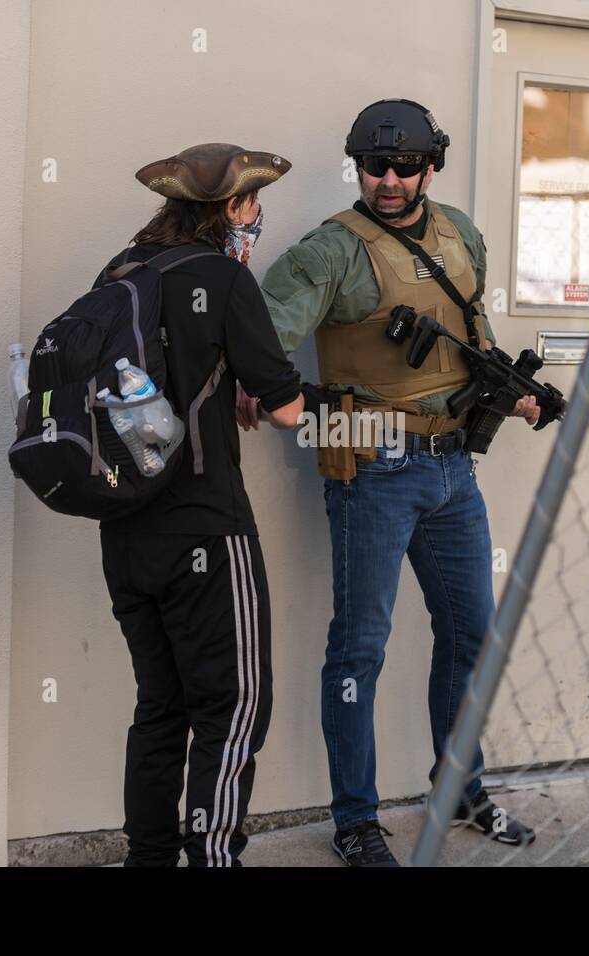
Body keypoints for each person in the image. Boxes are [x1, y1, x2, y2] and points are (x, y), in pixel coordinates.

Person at [243, 100, 539, 866]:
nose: (390, 179)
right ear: (358, 167)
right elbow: (263, 339)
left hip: (453, 470)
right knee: (359, 650)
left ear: (429, 166)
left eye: (406, 166)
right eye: (376, 166)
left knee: (472, 636)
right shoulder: (330, 253)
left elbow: (476, 336)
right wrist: (283, 400)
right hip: (373, 469)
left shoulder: (459, 232)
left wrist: (513, 388)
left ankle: (463, 792)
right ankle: (355, 820)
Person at [99, 143, 304, 867]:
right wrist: (271, 392)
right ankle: (213, 857)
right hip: (207, 532)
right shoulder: (222, 276)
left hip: (125, 532)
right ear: (231, 209)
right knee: (235, 704)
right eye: (254, 206)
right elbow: (284, 408)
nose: (257, 219)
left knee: (161, 705)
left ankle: (148, 858)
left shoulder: (121, 271)